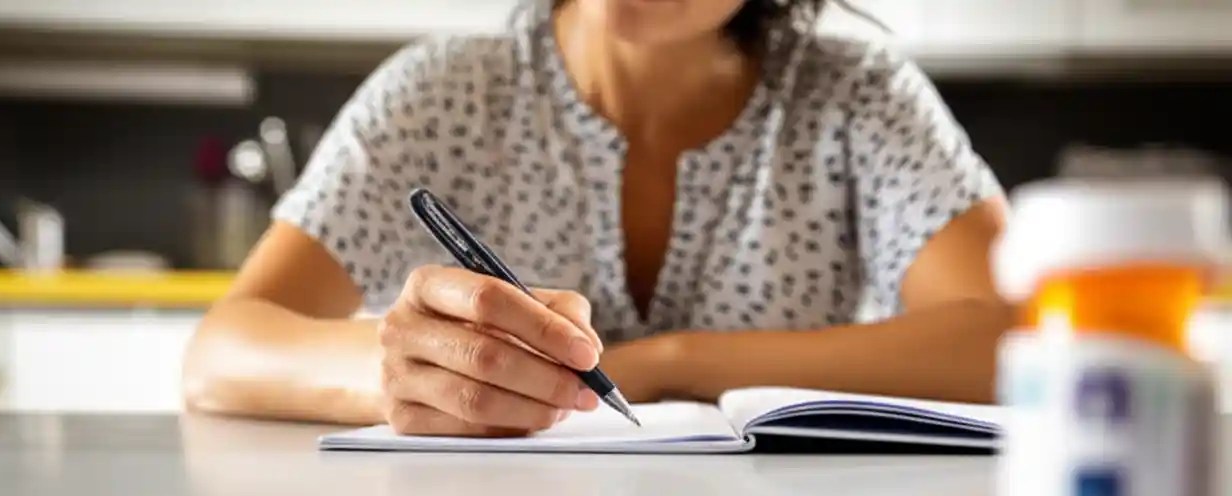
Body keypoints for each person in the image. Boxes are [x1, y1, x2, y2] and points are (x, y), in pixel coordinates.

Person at [183, 0, 1012, 437]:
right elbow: (221, 352)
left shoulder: (860, 97)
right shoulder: (439, 93)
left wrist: (670, 362)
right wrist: (401, 371)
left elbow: (1014, 335)